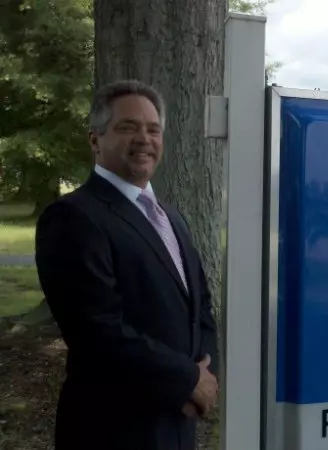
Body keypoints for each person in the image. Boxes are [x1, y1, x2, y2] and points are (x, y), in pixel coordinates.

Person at [35, 80, 219, 450]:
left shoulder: (171, 217)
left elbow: (200, 306)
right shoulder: (72, 218)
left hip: (177, 422)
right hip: (113, 428)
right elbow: (97, 330)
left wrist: (206, 375)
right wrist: (185, 380)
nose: (144, 139)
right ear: (95, 140)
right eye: (127, 128)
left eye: (153, 130)